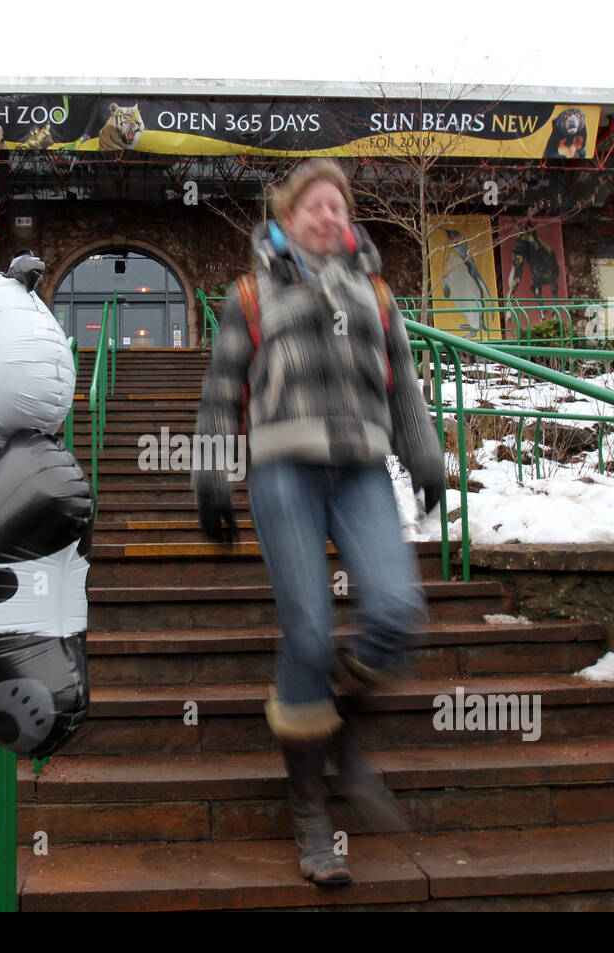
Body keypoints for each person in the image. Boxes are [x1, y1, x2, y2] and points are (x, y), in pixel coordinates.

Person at [193, 159, 445, 886]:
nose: (330, 215)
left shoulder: (375, 293)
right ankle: (311, 813)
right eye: (315, 205)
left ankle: (341, 727)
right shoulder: (251, 292)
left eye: (341, 206)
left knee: (398, 612)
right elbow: (219, 393)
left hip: (362, 467)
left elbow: (405, 387)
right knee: (307, 632)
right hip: (283, 469)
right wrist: (210, 472)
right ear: (287, 215)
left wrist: (425, 460)